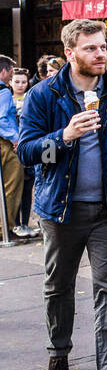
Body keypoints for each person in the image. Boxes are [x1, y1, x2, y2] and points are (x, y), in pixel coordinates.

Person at [17, 19, 107, 370]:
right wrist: (64, 136)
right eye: (90, 48)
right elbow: (28, 152)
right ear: (69, 53)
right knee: (58, 286)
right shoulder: (45, 95)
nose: (100, 53)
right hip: (61, 211)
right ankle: (59, 350)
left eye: (102, 46)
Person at [0, 55, 25, 236]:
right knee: (11, 185)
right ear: (3, 71)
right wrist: (15, 139)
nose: (10, 76)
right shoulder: (3, 91)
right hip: (5, 143)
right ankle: (5, 228)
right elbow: (2, 119)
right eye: (10, 72)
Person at [10, 67, 33, 232]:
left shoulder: (31, 99)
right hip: (13, 149)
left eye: (23, 82)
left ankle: (25, 222)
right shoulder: (5, 99)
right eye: (17, 81)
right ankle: (15, 223)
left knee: (27, 186)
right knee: (15, 187)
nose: (20, 85)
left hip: (29, 148)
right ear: (10, 82)